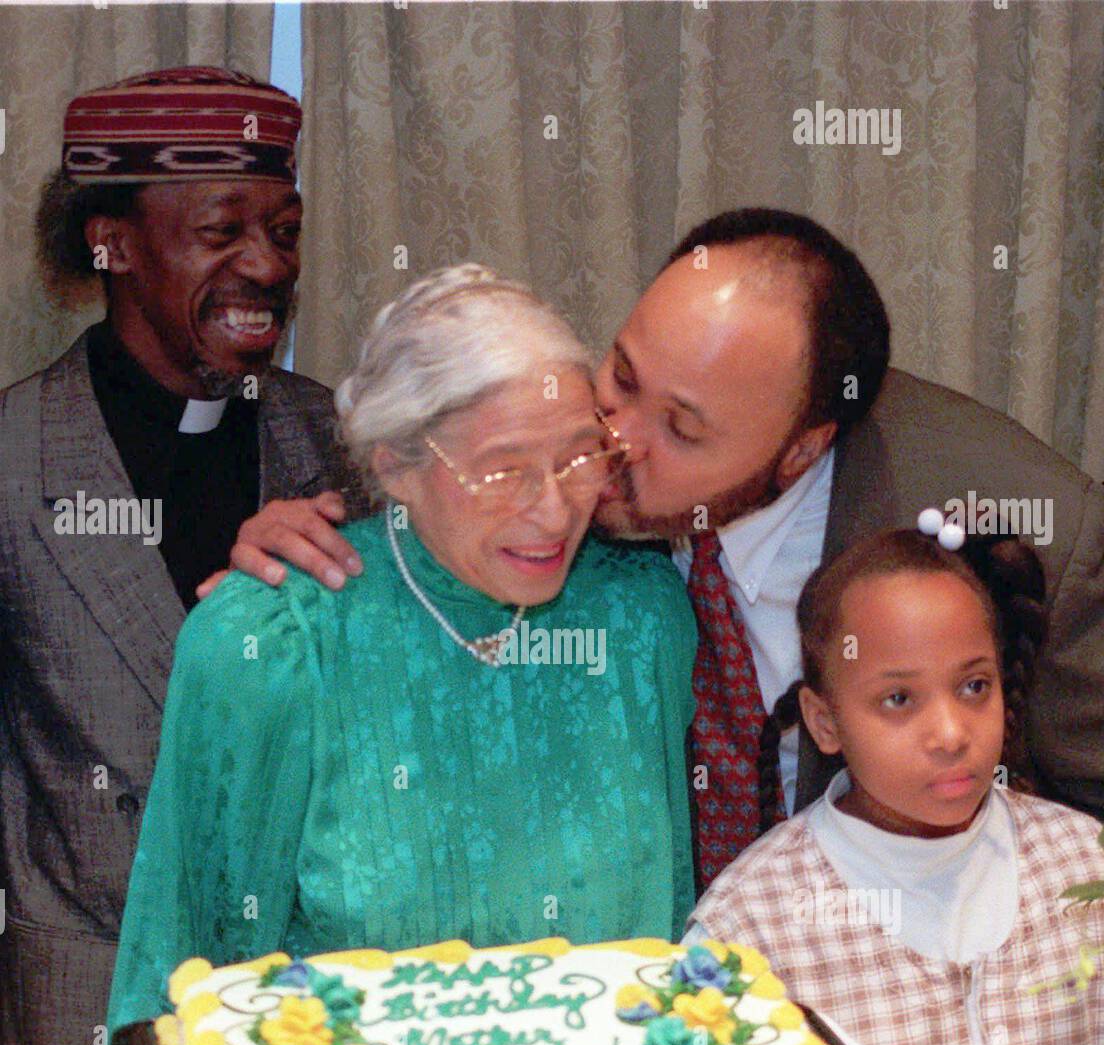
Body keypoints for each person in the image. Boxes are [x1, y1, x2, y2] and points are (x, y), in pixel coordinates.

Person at [234, 210, 1104, 886]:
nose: (612, 440)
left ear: (801, 448)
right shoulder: (566, 456)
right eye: (622, 374)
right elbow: (437, 495)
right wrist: (316, 546)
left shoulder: (1035, 531)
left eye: (682, 431)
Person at [98, 265, 698, 1045]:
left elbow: (668, 932)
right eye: (502, 470)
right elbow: (185, 979)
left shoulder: (639, 618)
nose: (554, 509)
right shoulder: (272, 643)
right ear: (397, 467)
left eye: (578, 457)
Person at [0, 67, 348, 1045]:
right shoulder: (10, 461)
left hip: (306, 994)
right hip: (86, 1009)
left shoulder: (340, 439)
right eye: (223, 230)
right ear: (112, 244)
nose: (267, 267)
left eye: (284, 232)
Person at [684, 517, 1104, 1045]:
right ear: (825, 721)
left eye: (974, 686)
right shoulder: (752, 929)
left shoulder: (1085, 865)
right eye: (899, 699)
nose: (952, 733)